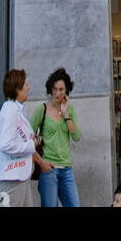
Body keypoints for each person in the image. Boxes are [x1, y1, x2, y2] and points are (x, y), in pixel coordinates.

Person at [0, 69, 52, 207]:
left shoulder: (15, 109)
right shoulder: (10, 111)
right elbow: (6, 144)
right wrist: (32, 143)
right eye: (26, 84)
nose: (28, 87)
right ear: (17, 89)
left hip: (19, 176)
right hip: (13, 176)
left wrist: (38, 158)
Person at [31, 67, 81, 208]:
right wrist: (40, 161)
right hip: (48, 170)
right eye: (55, 89)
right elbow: (27, 138)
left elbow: (76, 136)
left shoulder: (69, 110)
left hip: (66, 170)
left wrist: (66, 115)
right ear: (50, 89)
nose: (57, 93)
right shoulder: (42, 109)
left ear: (66, 91)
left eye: (61, 89)